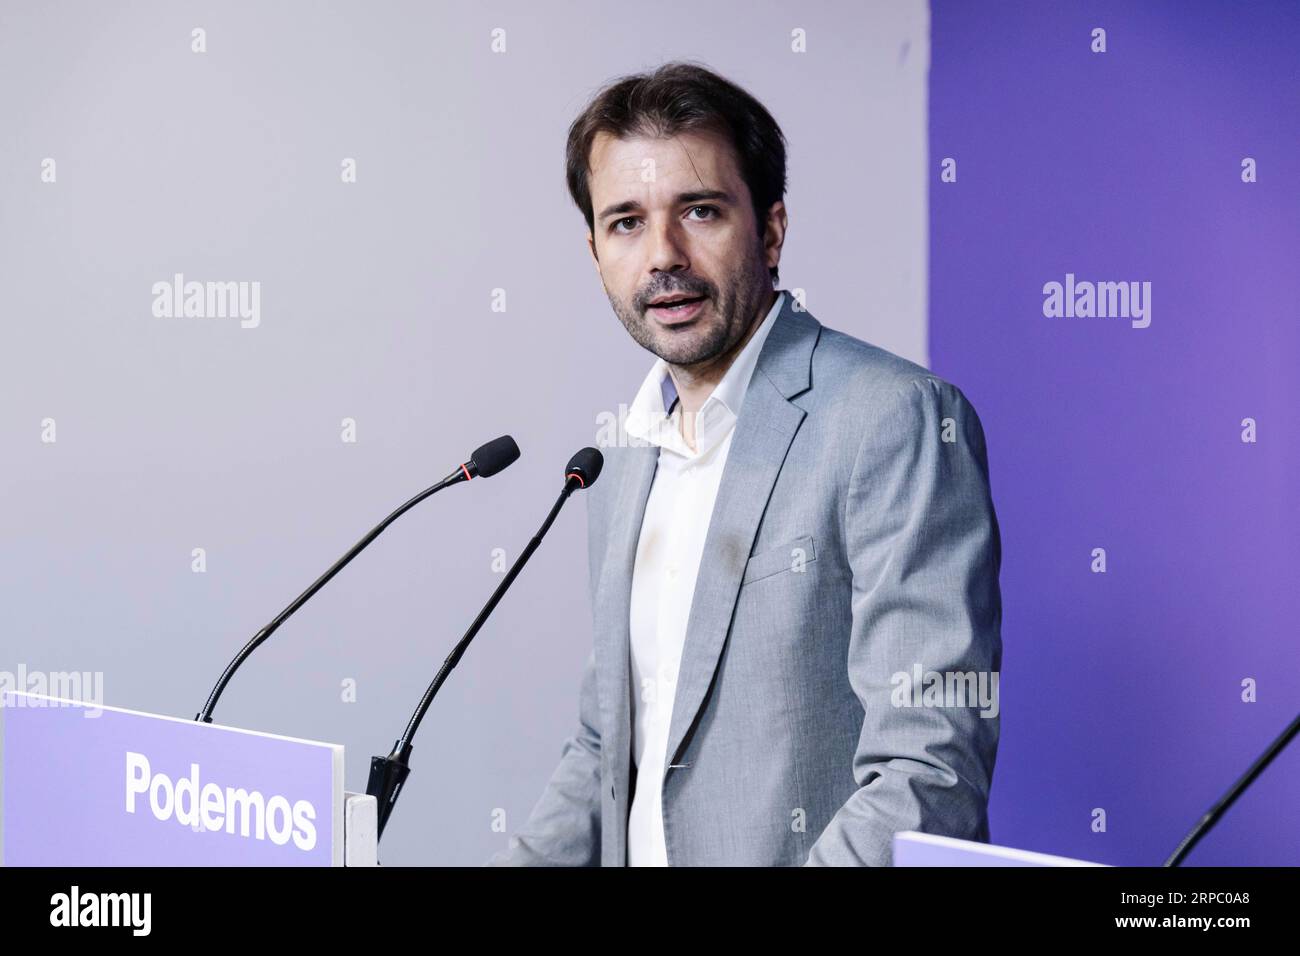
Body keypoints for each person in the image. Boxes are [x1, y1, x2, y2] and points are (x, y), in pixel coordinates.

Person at [490, 61, 1002, 866]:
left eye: (700, 211)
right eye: (625, 222)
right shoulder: (620, 451)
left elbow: (927, 771)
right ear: (594, 251)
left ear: (770, 229)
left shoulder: (892, 420)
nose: (664, 255)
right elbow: (604, 748)